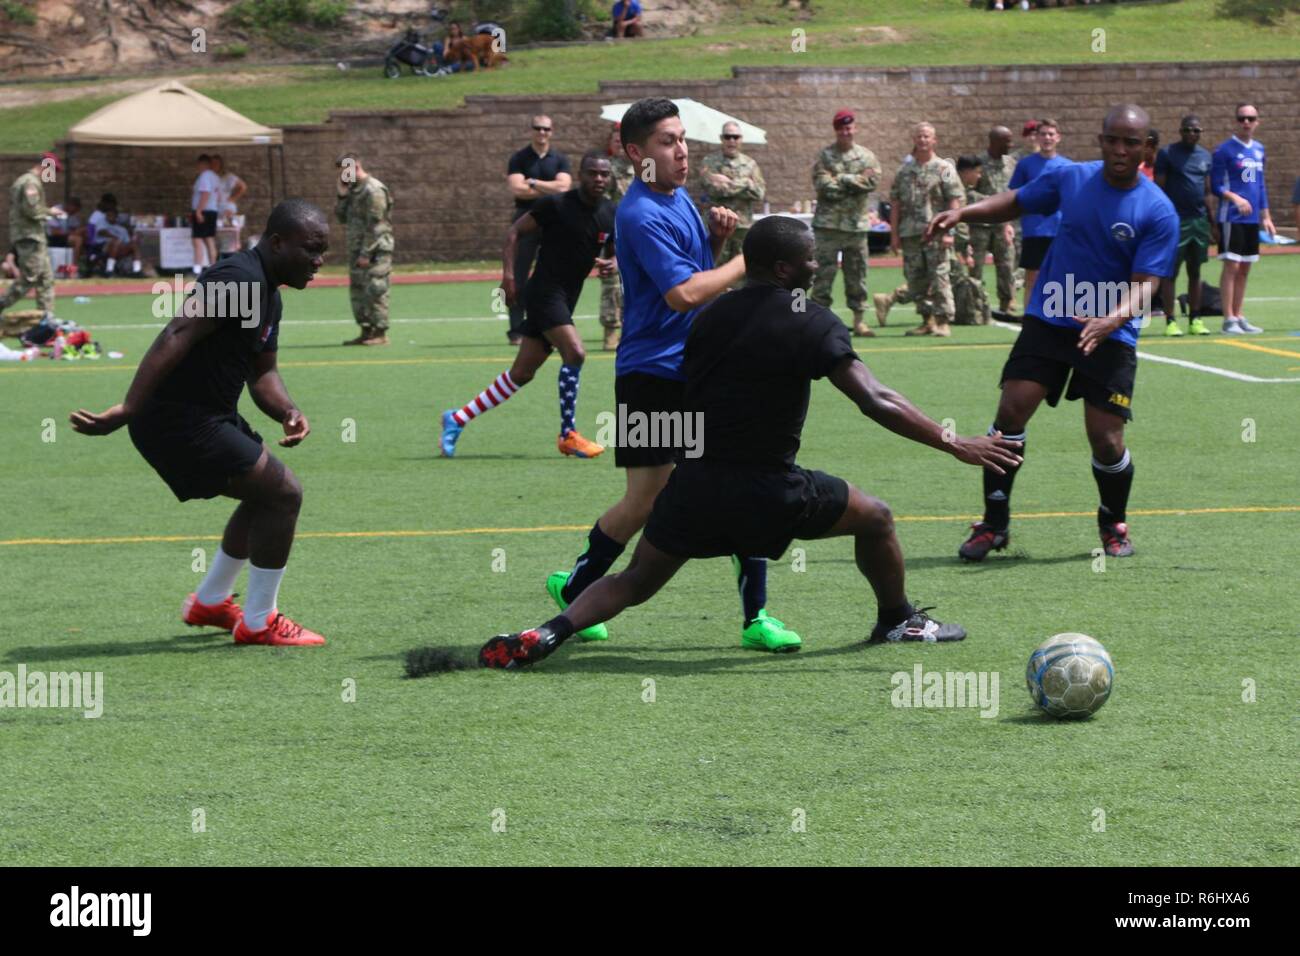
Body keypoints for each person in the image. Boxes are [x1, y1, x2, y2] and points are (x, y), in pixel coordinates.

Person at [477, 216, 1024, 669]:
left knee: (636, 579)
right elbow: (875, 398)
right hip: (770, 491)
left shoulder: (710, 316)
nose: (819, 264)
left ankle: (548, 632)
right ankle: (898, 619)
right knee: (876, 518)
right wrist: (957, 443)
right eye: (811, 258)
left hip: (693, 487)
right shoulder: (812, 321)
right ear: (785, 267)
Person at [545, 97, 799, 653]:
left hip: (700, 371)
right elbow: (682, 296)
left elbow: (693, 276)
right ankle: (577, 586)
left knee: (741, 478)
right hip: (653, 378)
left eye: (683, 139)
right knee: (644, 502)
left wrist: (719, 245)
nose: (682, 150)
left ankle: (757, 616)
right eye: (667, 141)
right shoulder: (639, 213)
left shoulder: (679, 197)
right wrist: (747, 262)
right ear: (636, 153)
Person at [69, 200, 331, 647]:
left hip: (207, 416)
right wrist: (129, 407)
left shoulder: (267, 292)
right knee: (285, 494)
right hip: (177, 420)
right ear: (276, 242)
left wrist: (288, 411)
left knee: (266, 493)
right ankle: (258, 622)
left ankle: (211, 601)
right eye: (311, 249)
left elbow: (263, 374)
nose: (319, 261)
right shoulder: (241, 279)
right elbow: (179, 331)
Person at [927, 104, 1177, 564]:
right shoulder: (1072, 178)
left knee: (1106, 438)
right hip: (1052, 314)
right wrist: (963, 213)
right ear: (1100, 140)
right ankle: (994, 524)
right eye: (1112, 140)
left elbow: (1146, 284)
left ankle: (1113, 523)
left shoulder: (1157, 210)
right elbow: (1017, 202)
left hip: (1110, 330)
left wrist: (1111, 320)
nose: (1120, 150)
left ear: (1147, 148)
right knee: (1012, 410)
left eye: (1131, 142)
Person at [440, 153, 615, 460]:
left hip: (566, 297)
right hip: (544, 293)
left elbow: (614, 249)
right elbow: (514, 233)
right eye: (592, 173)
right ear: (580, 174)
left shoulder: (610, 213)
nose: (598, 179)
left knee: (521, 374)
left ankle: (457, 419)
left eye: (604, 174)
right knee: (575, 353)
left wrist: (612, 262)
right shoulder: (557, 205)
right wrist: (508, 276)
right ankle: (568, 435)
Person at [810, 109, 882, 337]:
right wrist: (855, 180)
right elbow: (823, 185)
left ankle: (859, 321)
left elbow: (872, 182)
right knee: (821, 276)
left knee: (857, 275)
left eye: (849, 128)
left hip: (856, 227)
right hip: (828, 227)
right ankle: (819, 321)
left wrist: (840, 178)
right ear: (836, 130)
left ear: (855, 128)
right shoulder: (825, 156)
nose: (846, 132)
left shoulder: (867, 157)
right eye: (842, 128)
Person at [887, 123, 963, 337]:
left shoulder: (945, 168)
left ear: (934, 140)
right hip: (910, 233)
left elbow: (954, 201)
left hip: (936, 232)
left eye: (927, 137)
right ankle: (927, 320)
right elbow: (895, 203)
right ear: (914, 139)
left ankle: (943, 321)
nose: (922, 140)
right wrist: (894, 235)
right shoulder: (904, 171)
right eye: (919, 136)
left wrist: (949, 232)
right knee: (915, 278)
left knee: (939, 276)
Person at [505, 116, 572, 345]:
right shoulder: (519, 158)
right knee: (517, 275)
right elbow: (516, 188)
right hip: (524, 220)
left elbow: (564, 187)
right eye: (538, 128)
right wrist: (548, 188)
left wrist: (532, 183)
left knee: (554, 275)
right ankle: (515, 330)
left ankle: (552, 326)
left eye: (546, 129)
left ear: (552, 132)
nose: (542, 132)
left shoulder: (560, 159)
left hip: (553, 222)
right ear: (532, 130)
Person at [1211, 103, 1275, 335]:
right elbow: (1216, 186)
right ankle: (1228, 318)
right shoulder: (1224, 150)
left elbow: (1260, 185)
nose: (1246, 122)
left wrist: (1265, 215)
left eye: (1251, 118)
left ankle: (1239, 315)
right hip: (1231, 216)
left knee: (1245, 267)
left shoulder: (1259, 149)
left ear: (1257, 121)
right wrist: (1235, 199)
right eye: (1242, 118)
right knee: (1232, 265)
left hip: (1251, 220)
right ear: (1236, 121)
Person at [1154, 114, 1214, 336]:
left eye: (1196, 131)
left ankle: (1195, 319)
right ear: (1180, 131)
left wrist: (1212, 222)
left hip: (1198, 221)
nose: (1192, 134)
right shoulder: (1168, 154)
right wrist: (1160, 220)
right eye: (1188, 130)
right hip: (1175, 221)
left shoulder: (1205, 156)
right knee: (1171, 273)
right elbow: (1158, 190)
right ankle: (1171, 320)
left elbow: (1207, 191)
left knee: (1195, 271)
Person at [1008, 118, 1070, 311]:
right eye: (1043, 134)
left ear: (1058, 138)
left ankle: (1059, 317)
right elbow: (1013, 196)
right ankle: (1030, 319)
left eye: (1051, 134)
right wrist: (1007, 224)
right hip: (1034, 230)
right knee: (1032, 277)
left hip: (1059, 230)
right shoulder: (1025, 165)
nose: (1047, 138)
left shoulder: (1068, 166)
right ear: (1036, 137)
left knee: (1060, 277)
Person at [334, 152, 394, 346]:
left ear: (355, 167)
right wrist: (341, 195)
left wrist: (366, 253)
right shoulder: (353, 190)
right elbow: (342, 218)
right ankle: (366, 330)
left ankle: (381, 332)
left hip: (374, 250)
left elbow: (376, 226)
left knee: (376, 289)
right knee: (358, 291)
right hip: (356, 249)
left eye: (345, 171)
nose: (343, 176)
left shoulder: (373, 190)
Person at [0, 153, 63, 322]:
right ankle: (2, 303)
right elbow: (31, 210)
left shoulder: (27, 180)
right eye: (53, 169)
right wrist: (51, 212)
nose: (53, 174)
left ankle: (46, 319)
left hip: (33, 236)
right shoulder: (30, 182)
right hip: (30, 236)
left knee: (46, 279)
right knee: (30, 277)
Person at [697, 122, 766, 269]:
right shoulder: (709, 162)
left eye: (736, 137)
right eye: (728, 137)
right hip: (717, 225)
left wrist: (728, 182)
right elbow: (713, 189)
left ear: (741, 139)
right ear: (721, 138)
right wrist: (746, 183)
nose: (732, 141)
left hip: (742, 227)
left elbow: (759, 192)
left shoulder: (750, 164)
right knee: (713, 268)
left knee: (742, 270)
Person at [971, 126, 1018, 316]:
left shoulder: (1011, 164)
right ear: (994, 142)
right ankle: (974, 305)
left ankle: (1006, 303)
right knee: (976, 267)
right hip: (980, 225)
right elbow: (967, 191)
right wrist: (990, 201)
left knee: (1007, 265)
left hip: (1003, 224)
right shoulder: (978, 163)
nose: (1011, 144)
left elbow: (1016, 190)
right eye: (1007, 141)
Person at [598, 122, 636, 351]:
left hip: (641, 232)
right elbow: (601, 199)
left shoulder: (646, 166)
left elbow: (654, 189)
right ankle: (611, 331)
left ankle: (635, 330)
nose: (620, 145)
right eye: (616, 141)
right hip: (615, 232)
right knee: (611, 283)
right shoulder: (606, 168)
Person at [191, 154, 221, 275]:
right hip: (212, 210)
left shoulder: (204, 176)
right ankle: (213, 267)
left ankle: (197, 268)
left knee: (197, 239)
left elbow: (205, 193)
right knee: (209, 239)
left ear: (203, 164)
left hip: (204, 210)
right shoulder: (215, 177)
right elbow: (217, 196)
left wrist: (199, 210)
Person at [45, 195, 84, 268]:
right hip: (53, 238)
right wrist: (73, 233)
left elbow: (74, 228)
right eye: (74, 210)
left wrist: (78, 231)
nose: (75, 213)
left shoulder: (72, 214)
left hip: (65, 237)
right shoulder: (55, 211)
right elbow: (55, 232)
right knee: (78, 240)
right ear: (70, 205)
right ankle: (74, 266)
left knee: (84, 235)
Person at [211, 154, 247, 225]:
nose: (214, 165)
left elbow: (243, 186)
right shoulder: (208, 177)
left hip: (225, 206)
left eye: (216, 163)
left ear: (221, 165)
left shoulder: (227, 177)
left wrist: (233, 198)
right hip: (212, 207)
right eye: (212, 163)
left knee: (227, 223)